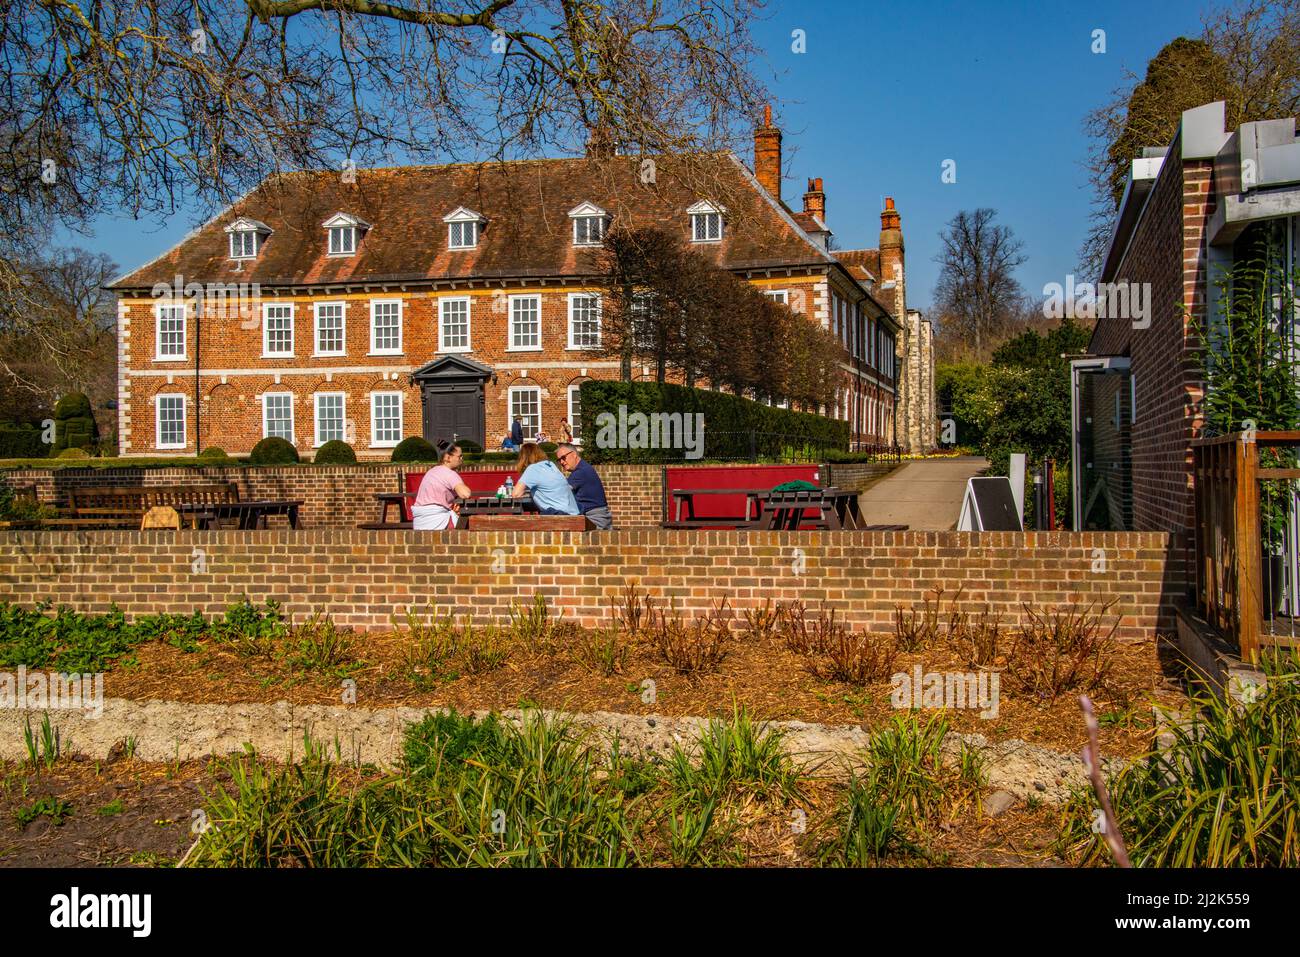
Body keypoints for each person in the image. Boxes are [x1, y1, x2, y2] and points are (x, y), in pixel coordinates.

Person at [411, 439, 473, 530]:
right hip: (437, 521)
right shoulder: (449, 473)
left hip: (419, 522)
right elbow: (465, 494)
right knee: (468, 527)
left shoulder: (431, 471)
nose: (462, 459)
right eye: (459, 456)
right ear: (448, 458)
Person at [511, 442, 579, 515]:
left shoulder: (533, 468)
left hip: (560, 515)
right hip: (574, 513)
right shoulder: (551, 465)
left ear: (523, 457)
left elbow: (516, 494)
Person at [557, 442, 612, 529]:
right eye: (559, 460)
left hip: (594, 519)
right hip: (597, 516)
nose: (562, 462)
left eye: (563, 458)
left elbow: (560, 493)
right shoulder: (583, 468)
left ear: (574, 454)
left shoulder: (581, 471)